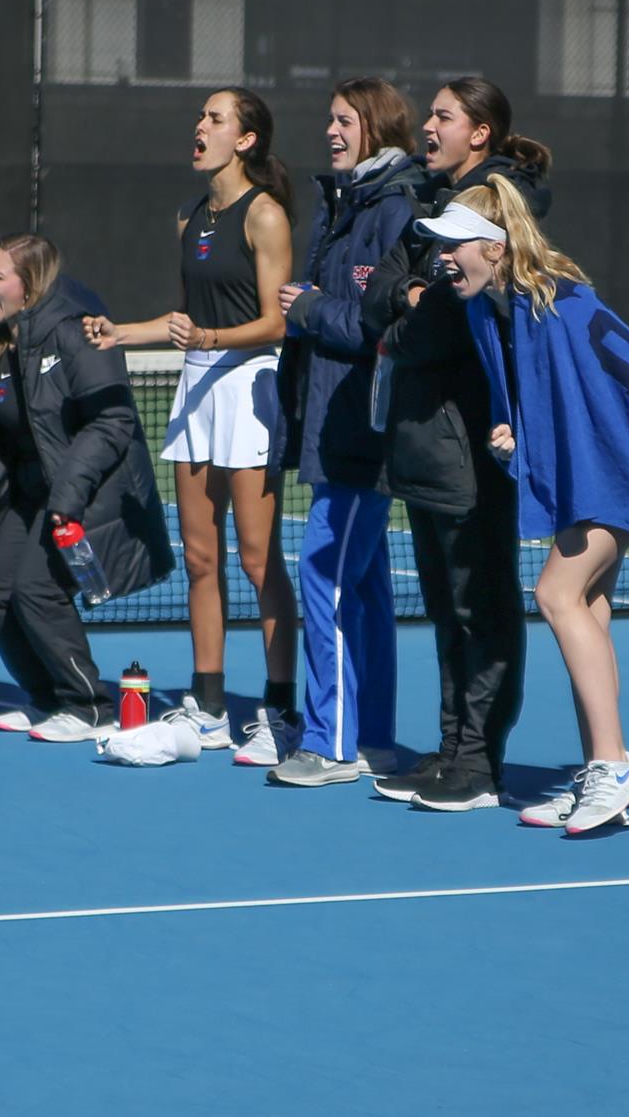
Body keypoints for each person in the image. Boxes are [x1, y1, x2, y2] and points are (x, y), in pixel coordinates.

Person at [428, 174, 629, 833]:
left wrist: (538, 456)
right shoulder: (494, 308)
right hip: (608, 442)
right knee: (588, 604)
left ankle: (614, 766)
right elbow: (548, 410)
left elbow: (604, 418)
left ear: (495, 248)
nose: (444, 257)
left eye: (456, 245)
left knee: (558, 594)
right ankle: (600, 766)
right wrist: (519, 438)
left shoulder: (555, 308)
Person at [85, 89, 300, 765]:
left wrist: (209, 335)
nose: (199, 127)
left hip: (249, 387)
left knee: (258, 559)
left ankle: (280, 709)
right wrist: (122, 331)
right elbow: (182, 317)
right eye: (201, 117)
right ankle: (208, 704)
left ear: (246, 139)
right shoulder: (189, 217)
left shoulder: (264, 214)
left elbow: (277, 321)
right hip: (197, 390)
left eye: (214, 119)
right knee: (201, 558)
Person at [362, 77, 545, 811]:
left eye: (442, 116)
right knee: (445, 604)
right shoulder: (431, 208)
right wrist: (405, 297)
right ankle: (452, 747)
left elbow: (427, 331)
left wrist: (410, 307)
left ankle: (478, 760)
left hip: (472, 448)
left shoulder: (498, 208)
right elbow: (380, 291)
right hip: (423, 446)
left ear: (482, 133)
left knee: (481, 604)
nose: (425, 127)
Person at [0, 234, 174, 742]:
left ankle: (89, 706)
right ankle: (45, 695)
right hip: (24, 492)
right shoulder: (5, 339)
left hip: (85, 493)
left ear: (31, 283)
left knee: (37, 589)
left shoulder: (72, 330)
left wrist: (68, 498)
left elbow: (112, 421)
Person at [265, 76, 426, 787]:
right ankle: (374, 739)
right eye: (327, 119)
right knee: (363, 586)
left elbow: (377, 322)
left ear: (376, 126)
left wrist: (308, 309)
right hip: (335, 420)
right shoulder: (345, 203)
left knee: (325, 573)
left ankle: (329, 742)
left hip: (365, 424)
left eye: (343, 120)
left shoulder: (392, 208)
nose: (330, 131)